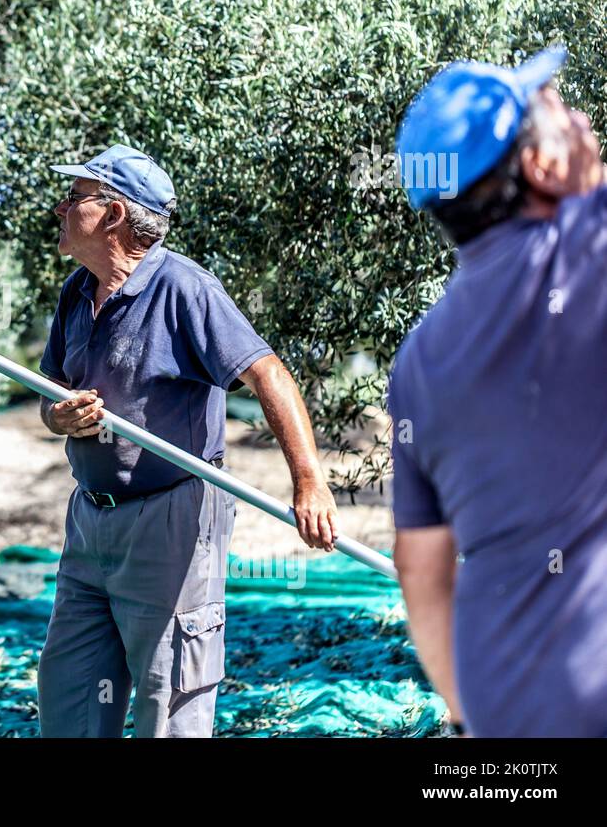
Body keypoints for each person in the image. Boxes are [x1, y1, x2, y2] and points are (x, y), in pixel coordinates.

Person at [35, 143, 339, 737]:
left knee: (168, 708)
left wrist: (310, 482)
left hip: (172, 522)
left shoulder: (184, 289)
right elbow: (50, 393)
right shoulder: (77, 292)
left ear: (114, 214)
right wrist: (59, 418)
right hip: (89, 523)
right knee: (68, 699)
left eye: (73, 199)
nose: (60, 210)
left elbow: (267, 374)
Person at [389, 46, 607, 737]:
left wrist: (465, 714)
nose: (581, 116)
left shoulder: (417, 363)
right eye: (558, 111)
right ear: (542, 167)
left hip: (505, 704)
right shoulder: (590, 251)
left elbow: (419, 567)